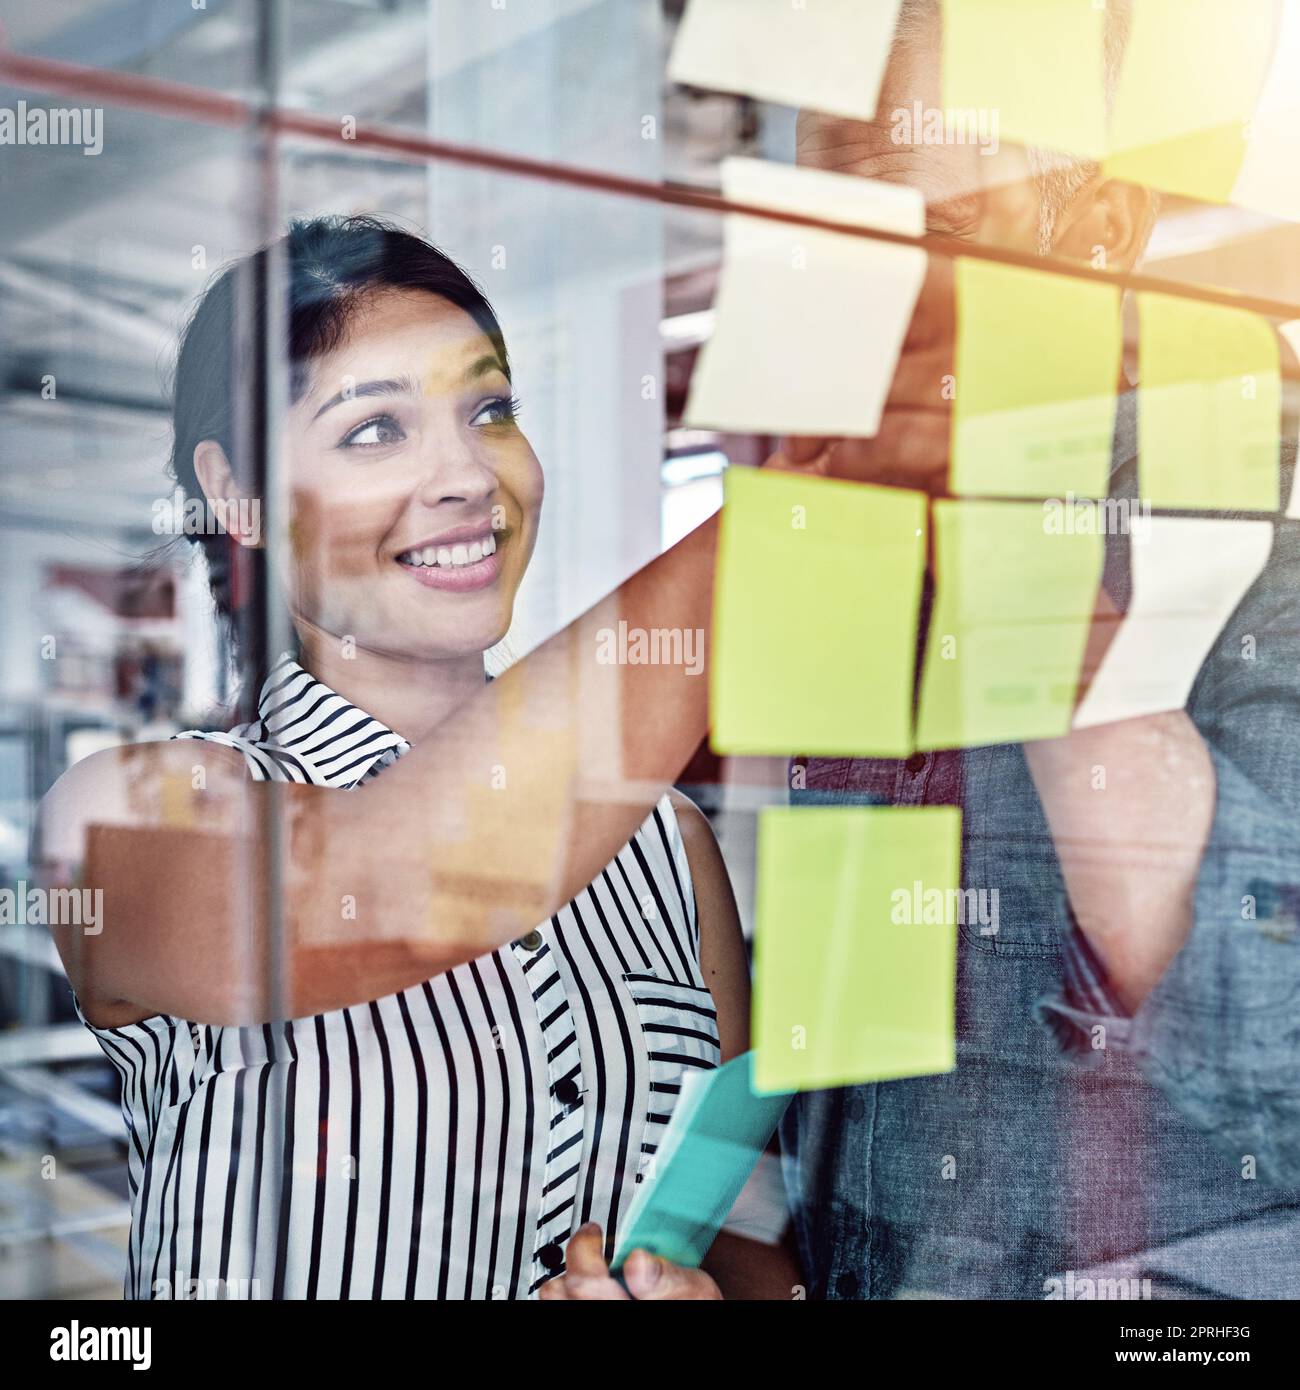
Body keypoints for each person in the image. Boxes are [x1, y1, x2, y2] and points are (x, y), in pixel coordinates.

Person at [35, 215, 798, 1300]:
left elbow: (739, 1227)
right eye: (373, 431)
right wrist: (804, 511)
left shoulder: (667, 839)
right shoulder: (126, 815)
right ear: (236, 492)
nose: (466, 476)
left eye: (489, 412)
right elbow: (382, 877)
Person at [774, 0, 1300, 1299]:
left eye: (933, 226)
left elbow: (1268, 1013)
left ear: (1103, 230)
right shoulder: (858, 527)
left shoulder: (1248, 500)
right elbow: (844, 1055)